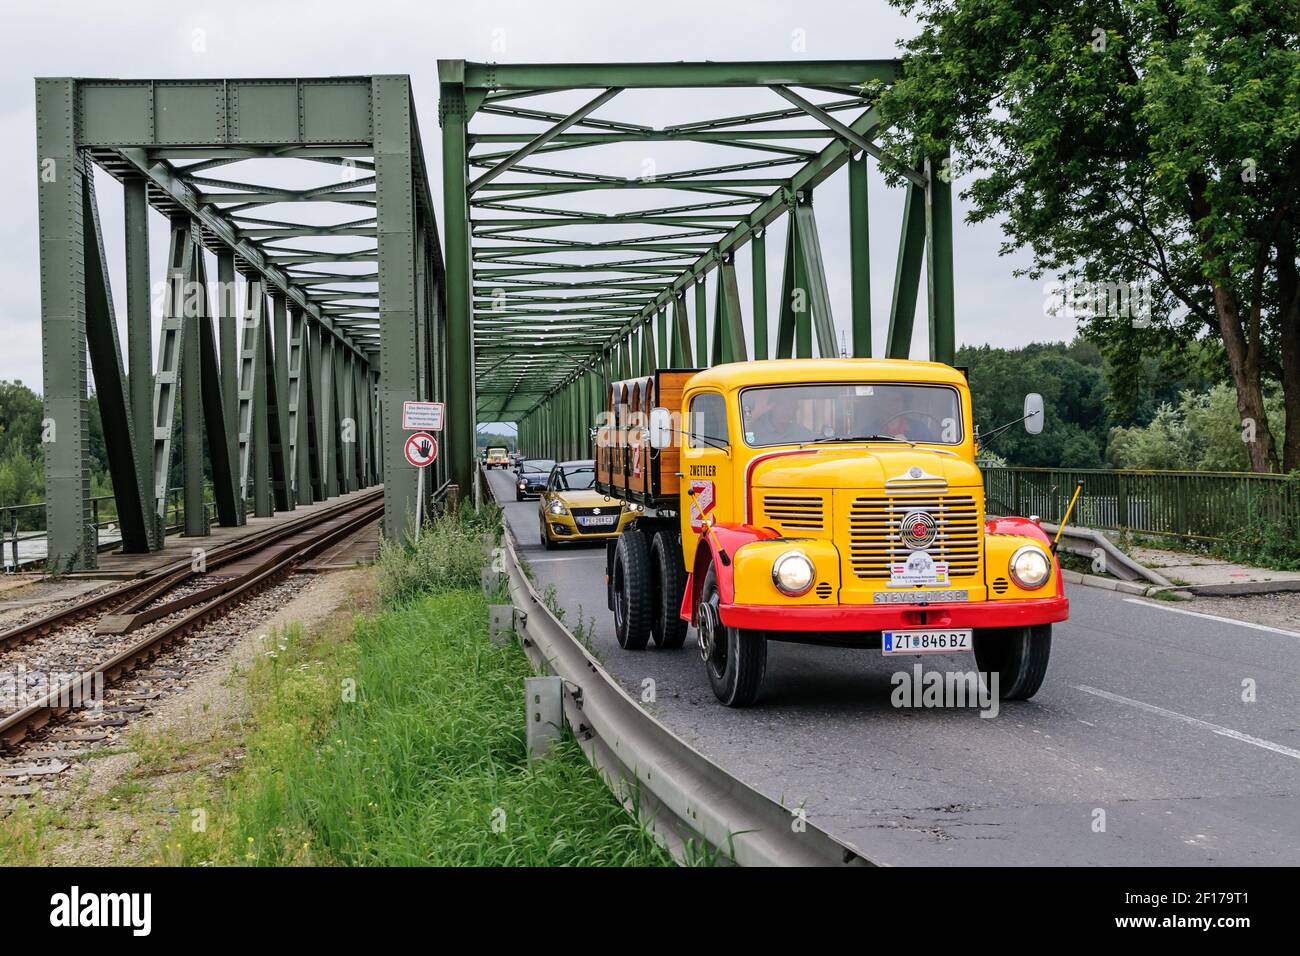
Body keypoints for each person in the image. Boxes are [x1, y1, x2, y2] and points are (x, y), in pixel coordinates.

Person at [747, 389, 816, 445]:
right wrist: (755, 414)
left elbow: (819, 442)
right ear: (772, 407)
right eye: (782, 405)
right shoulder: (757, 429)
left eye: (791, 407)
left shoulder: (800, 432)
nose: (786, 411)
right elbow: (741, 433)